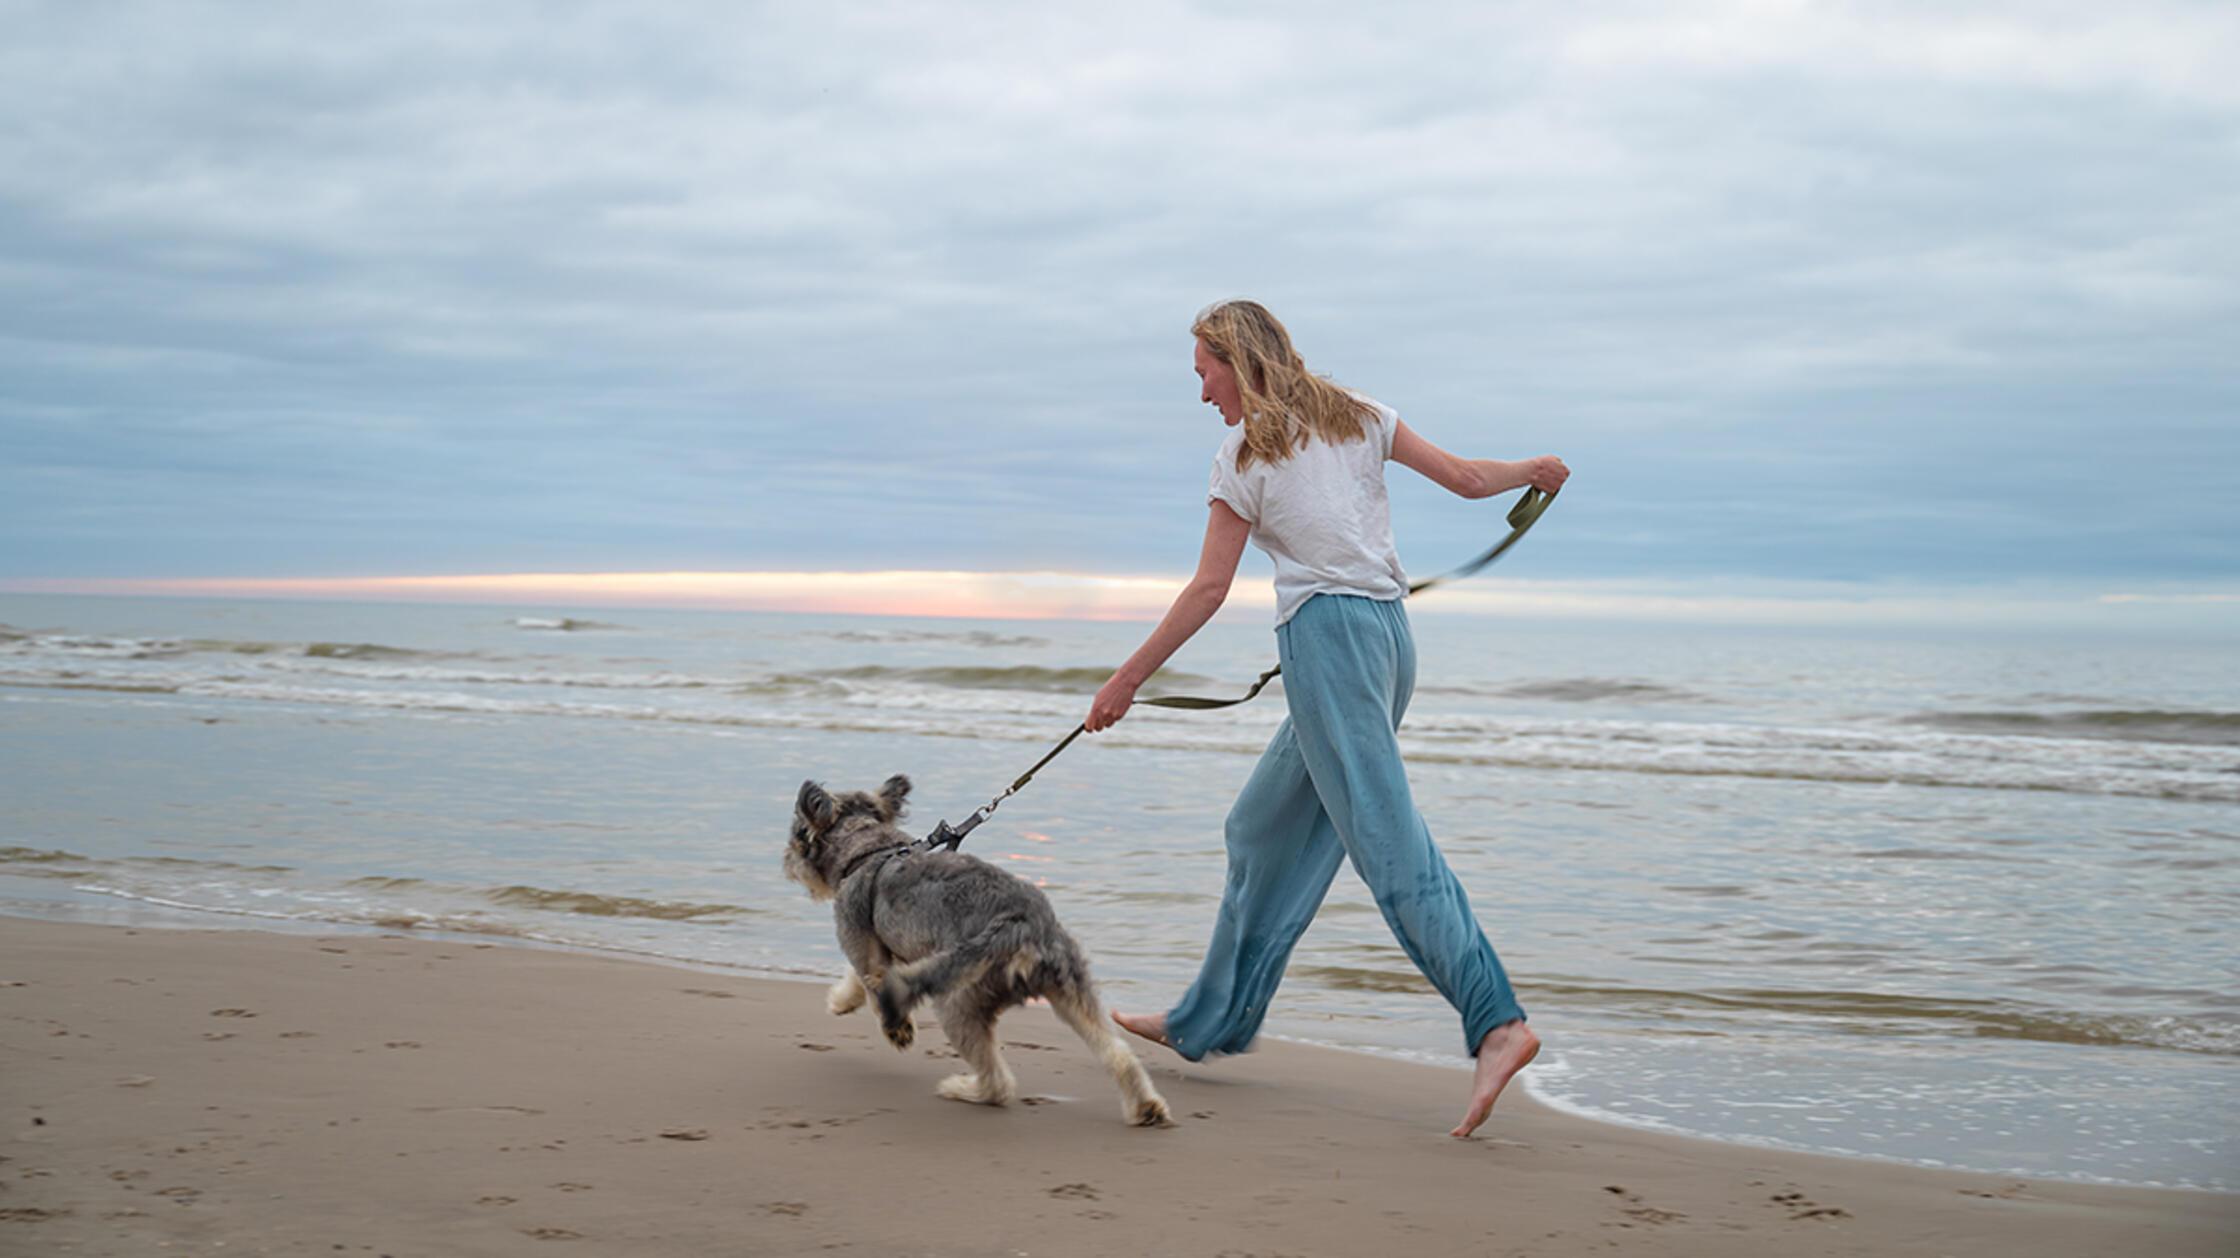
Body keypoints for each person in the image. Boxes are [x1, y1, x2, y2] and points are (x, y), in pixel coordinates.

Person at [1084, 299, 1568, 1139]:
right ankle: (1212, 1019)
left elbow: (1207, 589)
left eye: (1204, 372)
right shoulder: (1361, 416)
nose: (1202, 393)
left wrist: (1125, 679)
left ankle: (1497, 1022)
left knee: (1386, 839)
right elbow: (1461, 479)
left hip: (1333, 645)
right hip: (1385, 643)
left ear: (1239, 359)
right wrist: (1531, 469)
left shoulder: (1240, 456)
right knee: (1260, 827)